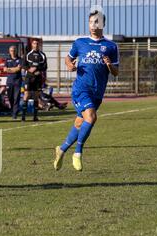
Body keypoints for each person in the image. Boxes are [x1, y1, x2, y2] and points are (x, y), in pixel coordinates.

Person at [53, 8, 119, 171]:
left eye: (96, 21)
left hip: (98, 92)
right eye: (90, 22)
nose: (93, 25)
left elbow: (116, 72)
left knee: (80, 122)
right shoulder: (80, 43)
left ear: (103, 23)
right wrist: (70, 66)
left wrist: (109, 65)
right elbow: (68, 59)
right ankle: (78, 152)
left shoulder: (111, 46)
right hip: (81, 89)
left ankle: (61, 149)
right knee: (91, 117)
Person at [22, 38, 47, 122]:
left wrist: (38, 70)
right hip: (29, 78)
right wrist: (29, 70)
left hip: (37, 78)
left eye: (37, 44)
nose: (36, 45)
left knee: (36, 96)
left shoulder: (42, 55)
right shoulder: (28, 54)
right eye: (34, 44)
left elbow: (45, 67)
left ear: (39, 45)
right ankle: (23, 117)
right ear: (32, 45)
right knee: (26, 95)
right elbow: (24, 65)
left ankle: (35, 116)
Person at [3, 46, 23, 119]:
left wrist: (10, 69)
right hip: (9, 81)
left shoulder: (20, 59)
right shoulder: (7, 59)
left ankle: (14, 114)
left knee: (16, 97)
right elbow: (4, 69)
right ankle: (13, 110)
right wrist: (13, 69)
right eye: (11, 50)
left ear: (16, 51)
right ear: (9, 51)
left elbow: (18, 69)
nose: (13, 52)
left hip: (17, 81)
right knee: (10, 97)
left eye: (14, 50)